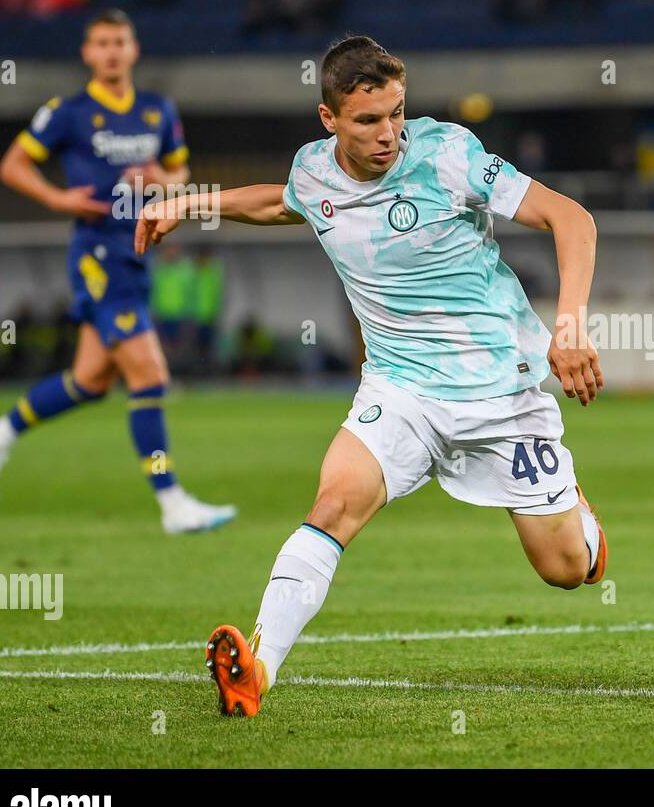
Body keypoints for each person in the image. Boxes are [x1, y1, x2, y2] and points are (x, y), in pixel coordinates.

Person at [136, 35, 608, 717]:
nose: (388, 134)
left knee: (567, 570)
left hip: (500, 393)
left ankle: (578, 518)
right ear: (329, 120)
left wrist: (569, 326)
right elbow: (280, 202)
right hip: (400, 390)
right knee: (333, 503)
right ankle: (257, 671)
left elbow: (571, 217)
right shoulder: (315, 171)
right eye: (367, 120)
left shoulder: (448, 154)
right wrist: (188, 204)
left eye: (396, 113)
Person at [0, 9, 235, 533]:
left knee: (90, 380)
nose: (111, 51)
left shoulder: (158, 110)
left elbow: (179, 172)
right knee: (151, 375)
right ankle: (171, 500)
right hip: (97, 255)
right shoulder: (68, 112)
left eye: (120, 42)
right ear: (87, 53)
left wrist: (160, 175)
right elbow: (13, 165)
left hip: (138, 253)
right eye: (102, 43)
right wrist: (58, 197)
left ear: (134, 49)